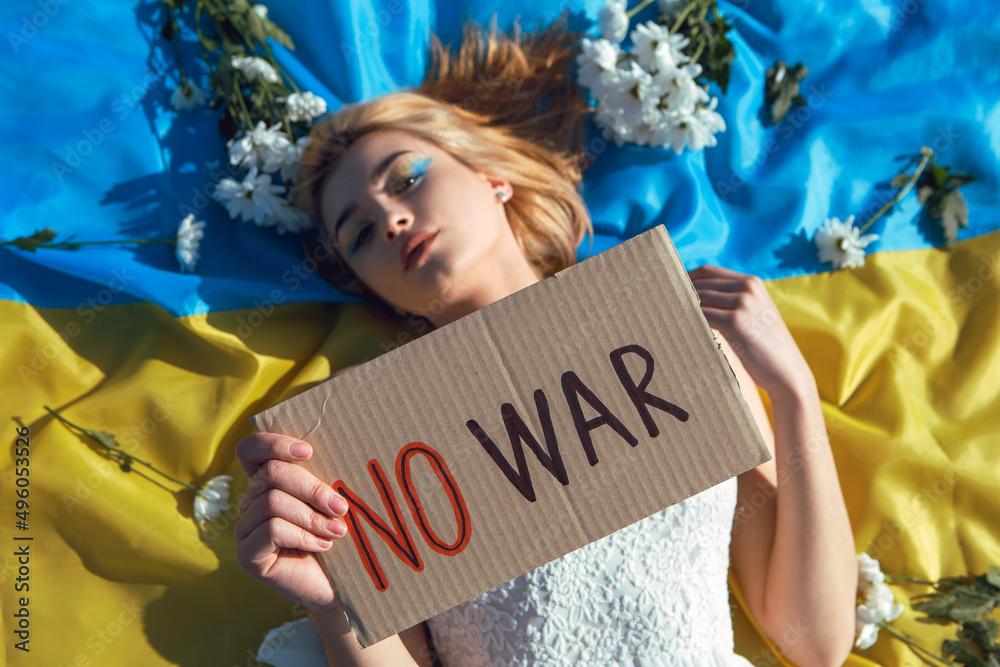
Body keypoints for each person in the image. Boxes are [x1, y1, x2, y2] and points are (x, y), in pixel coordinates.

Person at [234, 15, 858, 667]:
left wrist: (793, 392)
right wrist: (334, 602)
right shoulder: (361, 448)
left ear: (490, 178)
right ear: (374, 291)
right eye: (358, 234)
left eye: (408, 177)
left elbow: (812, 639)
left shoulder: (668, 334)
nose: (389, 218)